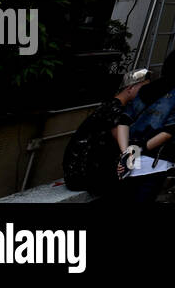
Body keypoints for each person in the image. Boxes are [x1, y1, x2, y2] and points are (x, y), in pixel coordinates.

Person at [120, 47, 175, 202]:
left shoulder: (145, 88)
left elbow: (124, 120)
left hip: (129, 157)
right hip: (156, 159)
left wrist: (126, 153)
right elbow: (169, 130)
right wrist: (141, 148)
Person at [63, 68, 148, 197]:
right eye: (144, 88)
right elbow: (125, 147)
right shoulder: (116, 110)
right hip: (83, 175)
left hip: (80, 171)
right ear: (130, 88)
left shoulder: (111, 106)